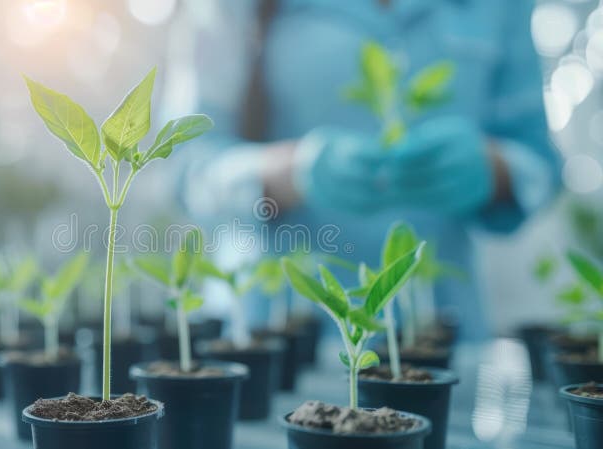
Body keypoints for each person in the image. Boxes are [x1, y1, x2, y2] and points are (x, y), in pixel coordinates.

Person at [167, 0, 561, 340]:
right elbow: (185, 164)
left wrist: (492, 169)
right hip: (272, 323)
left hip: (436, 322)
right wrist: (291, 171)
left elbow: (541, 163)